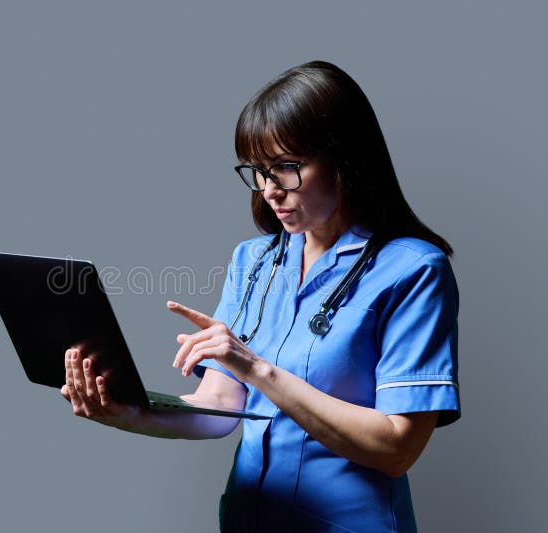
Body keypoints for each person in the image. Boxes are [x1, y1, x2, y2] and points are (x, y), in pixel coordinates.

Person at [61, 60, 461, 532]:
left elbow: (397, 448)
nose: (270, 190)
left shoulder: (413, 269)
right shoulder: (253, 262)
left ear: (345, 157)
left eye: (287, 168)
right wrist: (125, 410)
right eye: (259, 171)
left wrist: (256, 368)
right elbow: (220, 408)